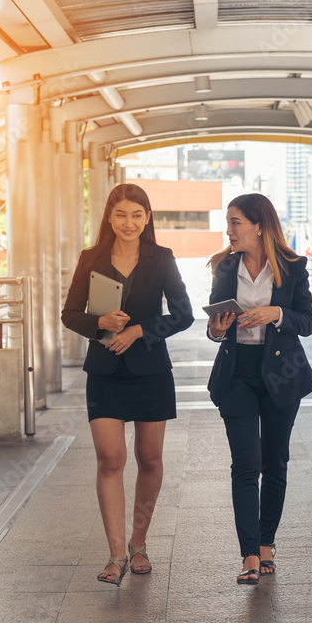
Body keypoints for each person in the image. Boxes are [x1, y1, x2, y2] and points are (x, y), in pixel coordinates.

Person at [62, 183, 193, 586]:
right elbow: (70, 314)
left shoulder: (162, 259)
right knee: (110, 459)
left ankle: (139, 543)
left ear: (147, 218)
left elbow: (184, 315)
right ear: (109, 217)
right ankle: (116, 553)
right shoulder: (91, 258)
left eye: (137, 215)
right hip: (104, 372)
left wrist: (138, 331)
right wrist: (98, 322)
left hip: (151, 371)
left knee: (150, 459)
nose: (129, 223)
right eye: (121, 215)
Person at [205, 194, 312, 585]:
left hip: (281, 373)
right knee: (245, 463)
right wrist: (217, 329)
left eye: (235, 223)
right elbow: (214, 323)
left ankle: (267, 542)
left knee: (275, 461)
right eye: (228, 222)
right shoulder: (224, 266)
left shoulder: (293, 267)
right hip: (237, 373)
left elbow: (307, 321)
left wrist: (277, 314)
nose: (229, 230)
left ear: (259, 226)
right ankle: (249, 553)